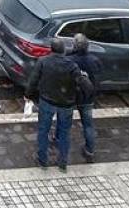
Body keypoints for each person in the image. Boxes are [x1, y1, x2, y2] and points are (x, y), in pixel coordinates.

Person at [25, 37, 90, 171]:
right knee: (64, 134)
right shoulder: (72, 66)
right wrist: (84, 79)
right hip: (66, 104)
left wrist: (28, 95)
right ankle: (62, 163)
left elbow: (33, 80)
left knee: (43, 131)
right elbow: (86, 86)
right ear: (64, 50)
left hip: (47, 101)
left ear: (51, 49)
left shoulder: (43, 61)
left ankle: (42, 160)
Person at [69, 33, 102, 163]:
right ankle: (90, 150)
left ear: (74, 46)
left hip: (71, 97)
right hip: (87, 97)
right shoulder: (94, 60)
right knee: (88, 124)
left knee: (64, 121)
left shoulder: (69, 60)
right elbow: (98, 79)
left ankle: (58, 138)